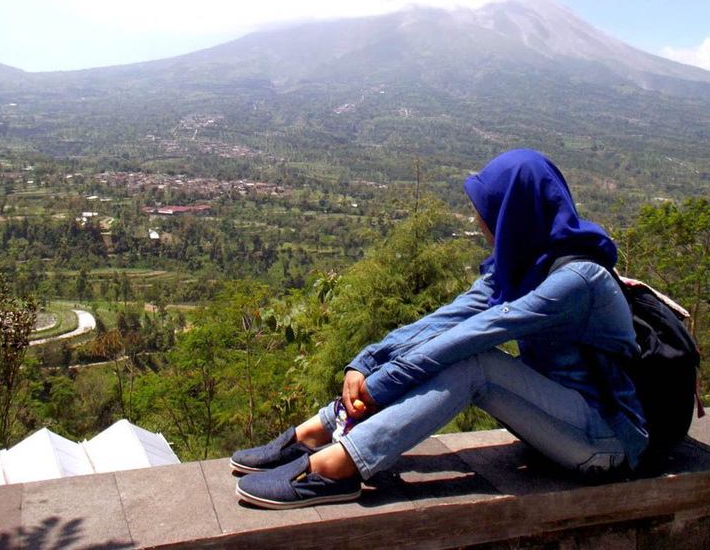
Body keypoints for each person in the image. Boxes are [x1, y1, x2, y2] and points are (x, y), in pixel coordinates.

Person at [231, 149, 648, 509]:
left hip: (605, 441)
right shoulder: (522, 267)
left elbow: (470, 337)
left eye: (488, 210)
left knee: (475, 365)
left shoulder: (576, 281)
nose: (481, 221)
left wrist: (378, 389)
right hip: (562, 422)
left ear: (514, 213)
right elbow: (447, 319)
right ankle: (316, 432)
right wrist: (367, 361)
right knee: (457, 353)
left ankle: (338, 467)